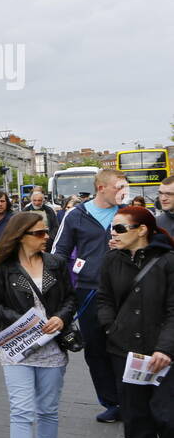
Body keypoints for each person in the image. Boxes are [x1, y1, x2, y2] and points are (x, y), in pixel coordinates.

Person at [0, 213, 76, 438]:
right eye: (39, 233)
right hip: (18, 348)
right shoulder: (5, 268)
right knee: (22, 411)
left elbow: (71, 298)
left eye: (46, 232)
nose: (46, 237)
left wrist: (60, 318)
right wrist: (21, 321)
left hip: (52, 349)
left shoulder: (56, 263)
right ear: (21, 236)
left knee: (48, 409)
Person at [96, 206, 174, 438]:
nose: (113, 235)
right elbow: (104, 299)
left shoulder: (167, 262)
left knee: (169, 418)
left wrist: (165, 349)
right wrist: (110, 328)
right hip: (125, 352)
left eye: (119, 229)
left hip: (164, 354)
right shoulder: (111, 261)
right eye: (111, 229)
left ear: (141, 230)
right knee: (135, 418)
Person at [52, 168, 129, 423]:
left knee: (127, 348)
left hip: (128, 292)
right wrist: (53, 288)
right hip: (88, 291)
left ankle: (132, 400)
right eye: (119, 187)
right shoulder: (76, 215)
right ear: (101, 188)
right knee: (96, 349)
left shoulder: (131, 214)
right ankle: (112, 402)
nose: (124, 192)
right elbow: (60, 253)